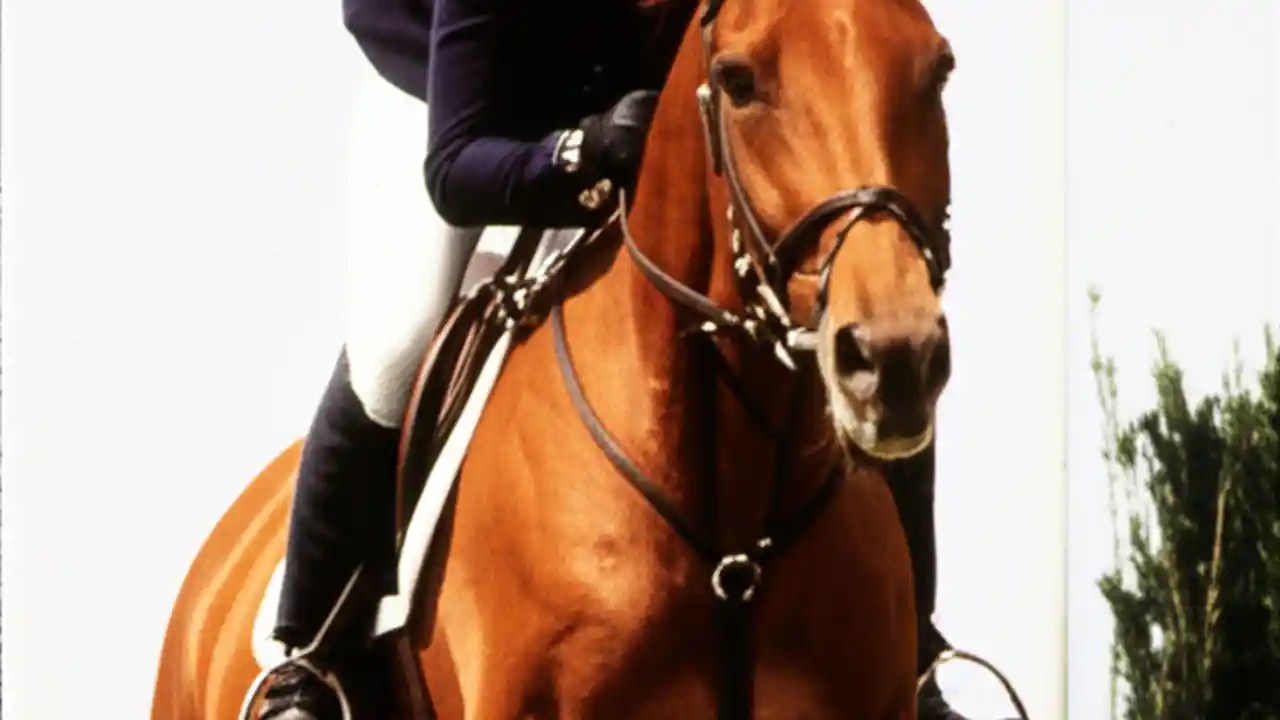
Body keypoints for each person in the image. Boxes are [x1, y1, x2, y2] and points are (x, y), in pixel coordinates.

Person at [255, 0, 973, 717]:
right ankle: (308, 659)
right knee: (398, 339)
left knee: (869, 323)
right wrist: (582, 150)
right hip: (451, 97)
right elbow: (455, 171)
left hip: (648, 83)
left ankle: (916, 660)